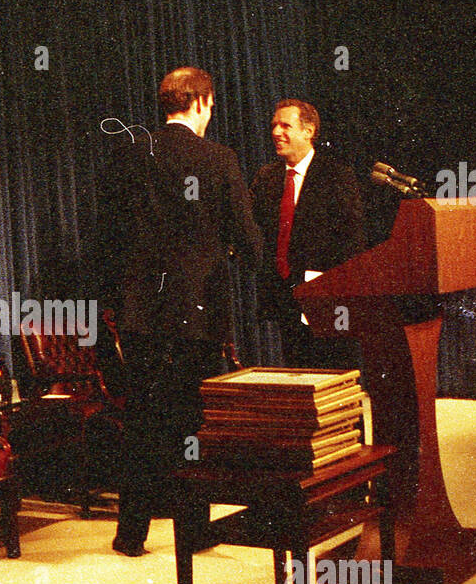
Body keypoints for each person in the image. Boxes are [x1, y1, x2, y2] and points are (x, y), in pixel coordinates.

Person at [101, 67, 264, 556]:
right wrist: (244, 256)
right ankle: (192, 532)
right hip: (197, 314)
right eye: (211, 106)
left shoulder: (130, 152)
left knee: (145, 418)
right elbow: (246, 237)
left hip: (141, 313)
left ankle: (131, 533)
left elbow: (108, 233)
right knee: (192, 421)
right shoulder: (219, 159)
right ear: (200, 102)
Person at [251, 99, 365, 369]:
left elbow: (353, 242)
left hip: (327, 298)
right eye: (274, 126)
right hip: (284, 297)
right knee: (297, 374)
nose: (276, 132)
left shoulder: (337, 176)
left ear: (309, 131)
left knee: (333, 375)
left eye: (285, 125)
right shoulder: (266, 177)